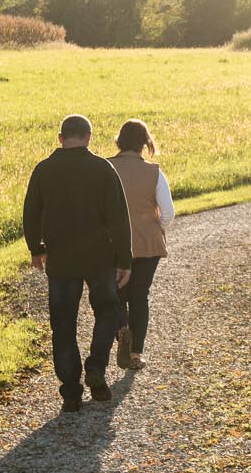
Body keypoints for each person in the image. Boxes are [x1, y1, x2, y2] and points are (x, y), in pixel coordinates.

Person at [22, 114, 132, 412]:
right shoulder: (102, 169)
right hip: (99, 257)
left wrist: (36, 249)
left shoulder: (44, 171)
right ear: (89, 137)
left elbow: (31, 213)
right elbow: (119, 218)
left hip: (60, 258)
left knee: (63, 322)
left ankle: (70, 389)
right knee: (108, 312)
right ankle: (96, 366)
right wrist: (124, 259)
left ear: (60, 138)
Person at [106, 119, 175, 369]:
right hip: (147, 244)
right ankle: (136, 353)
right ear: (145, 143)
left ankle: (122, 328)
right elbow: (168, 212)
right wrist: (154, 228)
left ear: (119, 140)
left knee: (115, 295)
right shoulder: (154, 172)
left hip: (112, 245)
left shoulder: (105, 167)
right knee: (140, 296)